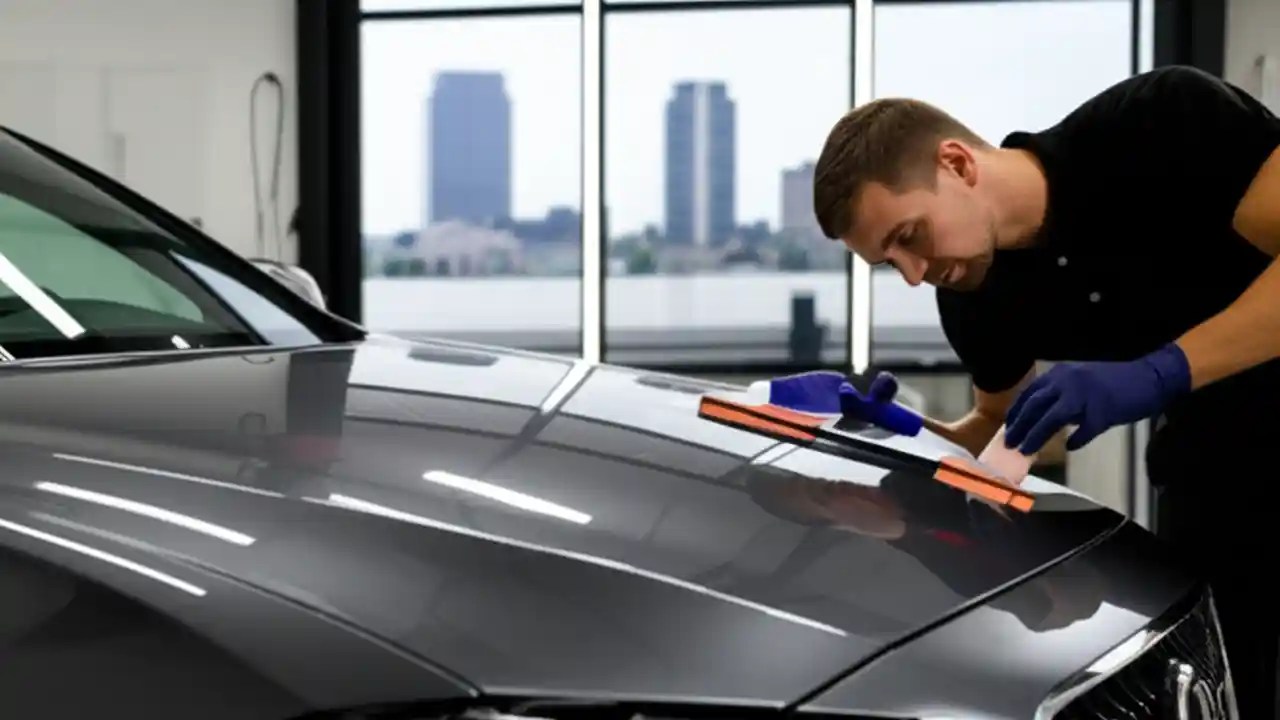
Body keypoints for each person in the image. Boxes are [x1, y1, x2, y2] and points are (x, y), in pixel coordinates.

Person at [810, 64, 1280, 718]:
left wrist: (1161, 370)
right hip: (1217, 474)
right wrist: (909, 440)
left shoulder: (1162, 122)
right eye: (891, 263)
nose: (915, 275)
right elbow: (1004, 426)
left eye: (909, 237)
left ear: (957, 164)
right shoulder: (973, 297)